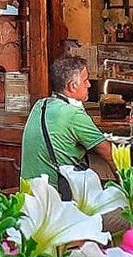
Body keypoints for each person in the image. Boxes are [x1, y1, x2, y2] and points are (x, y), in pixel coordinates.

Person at [21, 56, 114, 189]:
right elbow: (109, 154)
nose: (89, 85)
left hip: (28, 195)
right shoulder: (73, 114)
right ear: (72, 86)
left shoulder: (40, 105)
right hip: (55, 197)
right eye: (85, 80)